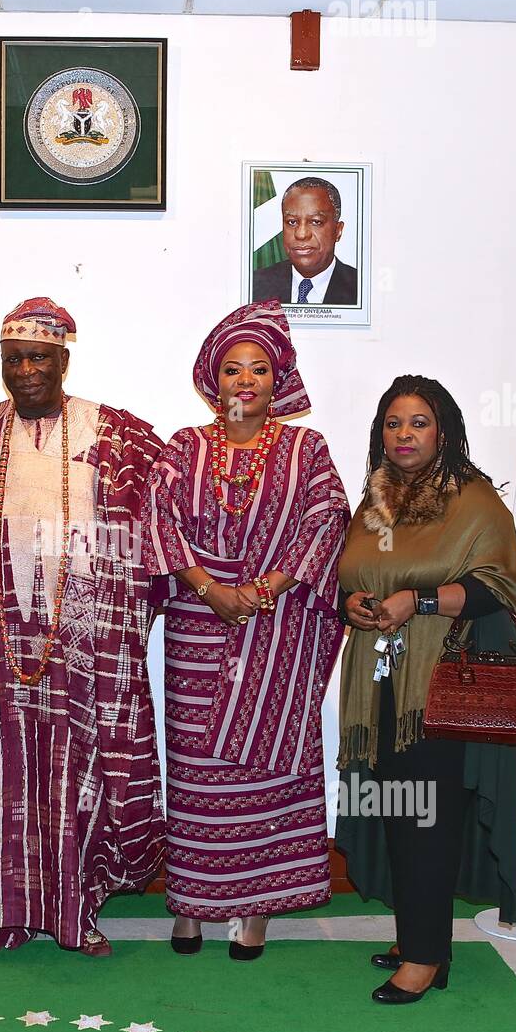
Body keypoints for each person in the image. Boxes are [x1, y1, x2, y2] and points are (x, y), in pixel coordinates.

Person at [0, 297, 167, 961]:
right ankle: (1, 916)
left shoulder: (114, 434)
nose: (24, 370)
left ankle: (74, 912)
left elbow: (169, 514)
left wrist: (129, 613)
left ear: (63, 360)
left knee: (74, 768)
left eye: (37, 358)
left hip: (83, 636)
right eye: (13, 359)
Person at [143, 300, 350, 960]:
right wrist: (211, 589)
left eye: (259, 369)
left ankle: (254, 909)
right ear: (213, 378)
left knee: (259, 773)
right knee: (199, 773)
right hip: (198, 633)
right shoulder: (184, 446)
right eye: (233, 369)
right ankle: (193, 904)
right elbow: (158, 525)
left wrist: (260, 590)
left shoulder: (306, 448)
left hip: (278, 629)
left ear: (278, 378)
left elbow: (327, 522)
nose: (246, 381)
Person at [334, 376, 516, 1004]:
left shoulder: (473, 501)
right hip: (380, 680)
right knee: (394, 809)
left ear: (444, 429)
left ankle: (425, 958)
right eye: (393, 423)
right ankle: (417, 937)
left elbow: (496, 588)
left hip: (437, 685)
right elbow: (355, 577)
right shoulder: (376, 504)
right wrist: (354, 606)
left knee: (429, 818)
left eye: (418, 422)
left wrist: (412, 601)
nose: (404, 435)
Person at [251, 176, 358, 306]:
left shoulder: (361, 287)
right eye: (292, 222)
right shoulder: (255, 285)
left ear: (338, 231)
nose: (301, 234)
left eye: (316, 222)